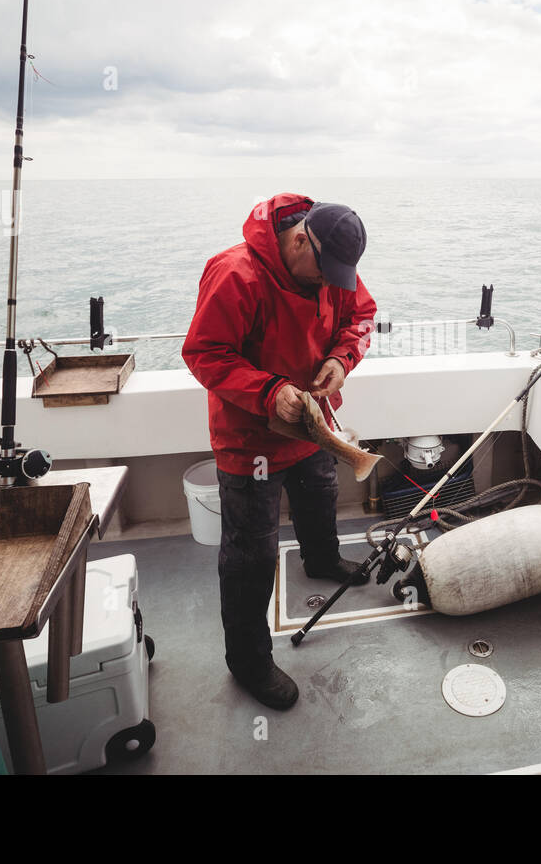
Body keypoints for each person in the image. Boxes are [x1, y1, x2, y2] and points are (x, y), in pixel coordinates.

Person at [182, 193, 377, 710]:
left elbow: (361, 315)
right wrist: (269, 393)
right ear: (298, 241)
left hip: (314, 422)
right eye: (325, 272)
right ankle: (248, 663)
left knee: (320, 494)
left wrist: (341, 357)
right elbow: (204, 353)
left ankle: (322, 559)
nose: (330, 283)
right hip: (252, 440)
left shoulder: (332, 269)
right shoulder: (235, 273)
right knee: (253, 554)